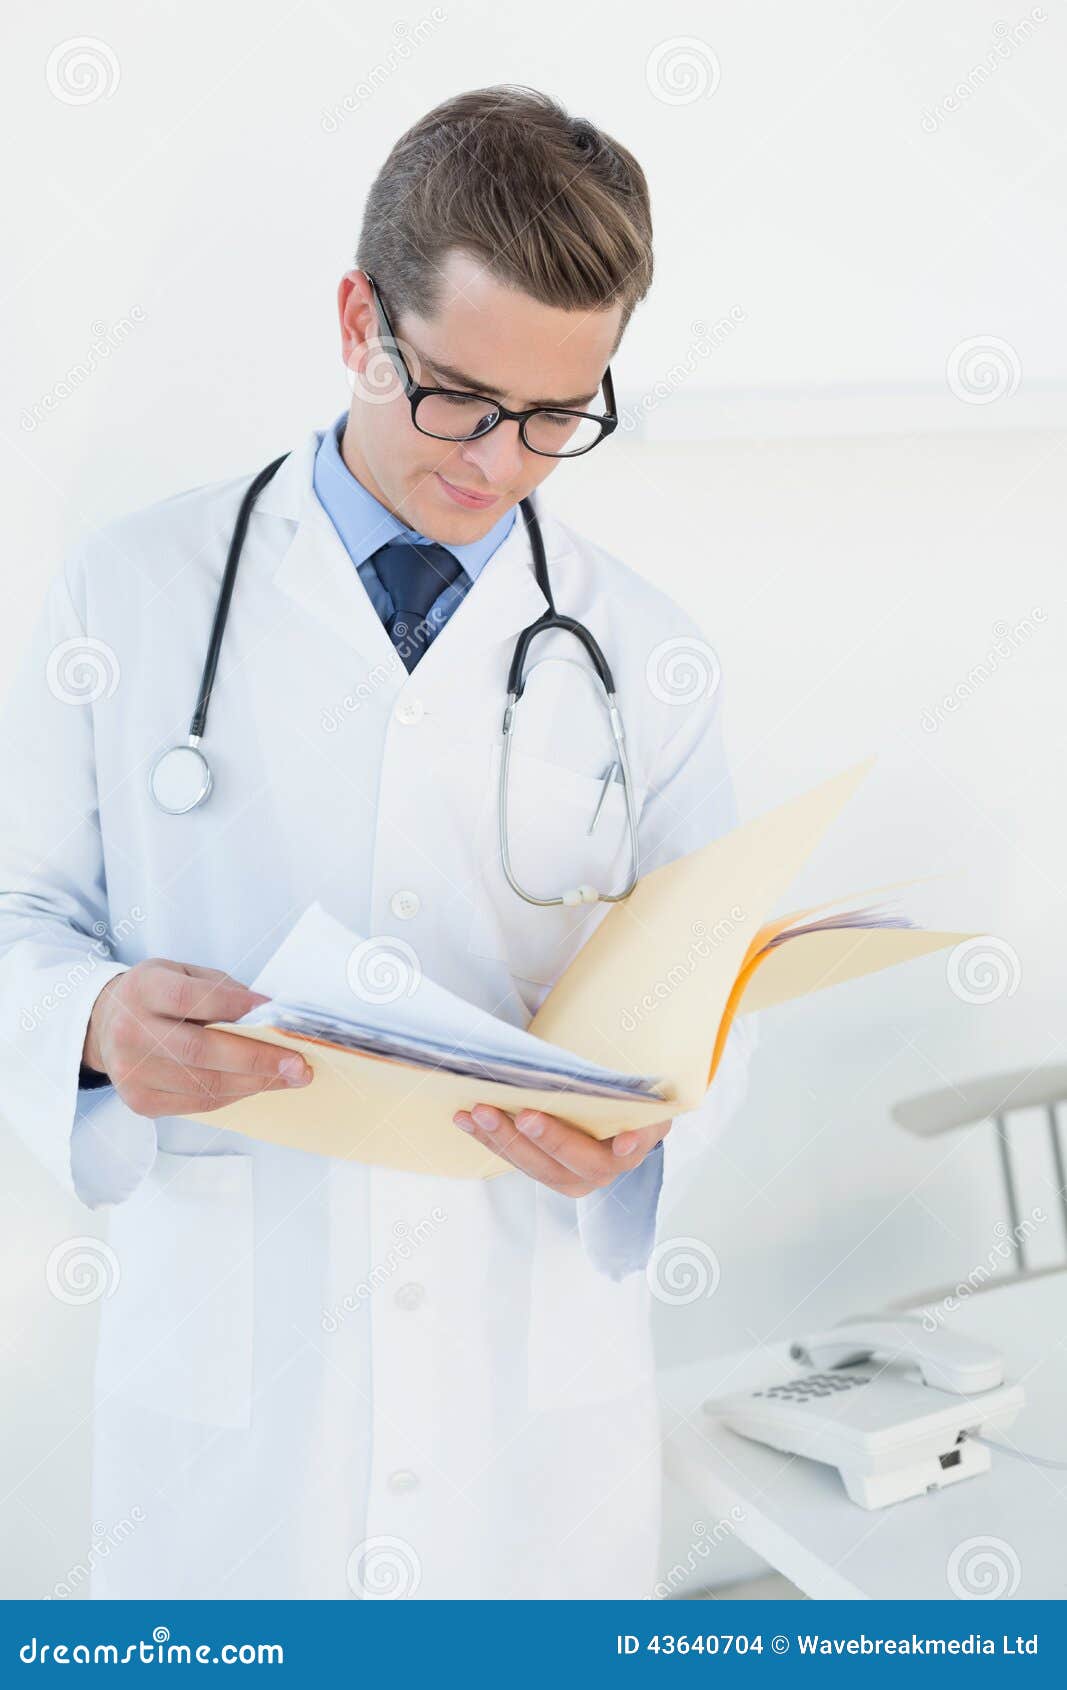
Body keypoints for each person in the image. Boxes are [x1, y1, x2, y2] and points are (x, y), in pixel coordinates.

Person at [0, 85, 754, 1599]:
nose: (499, 464)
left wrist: (661, 1111)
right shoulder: (131, 593)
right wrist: (88, 1024)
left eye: (559, 418)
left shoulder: (644, 651)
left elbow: (717, 989)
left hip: (526, 1402)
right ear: (362, 319)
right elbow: (20, 910)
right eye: (463, 398)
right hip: (235, 1421)